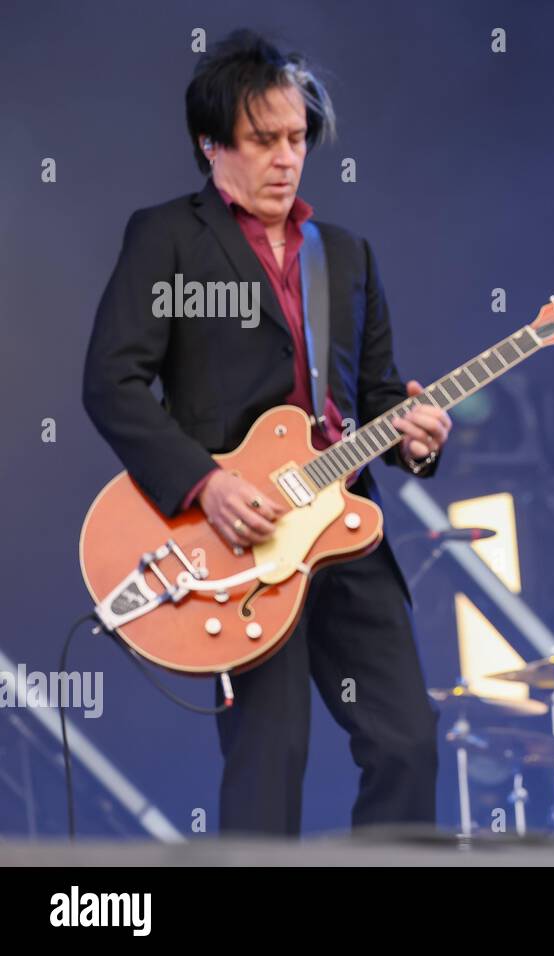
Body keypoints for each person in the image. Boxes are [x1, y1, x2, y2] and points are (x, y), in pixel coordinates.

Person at [82, 29, 452, 835]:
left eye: (297, 139)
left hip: (346, 537)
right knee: (269, 758)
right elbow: (109, 381)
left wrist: (415, 438)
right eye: (263, 141)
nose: (286, 159)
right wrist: (204, 483)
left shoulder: (346, 256)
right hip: (237, 546)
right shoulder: (168, 236)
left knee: (410, 746)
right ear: (211, 145)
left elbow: (381, 397)